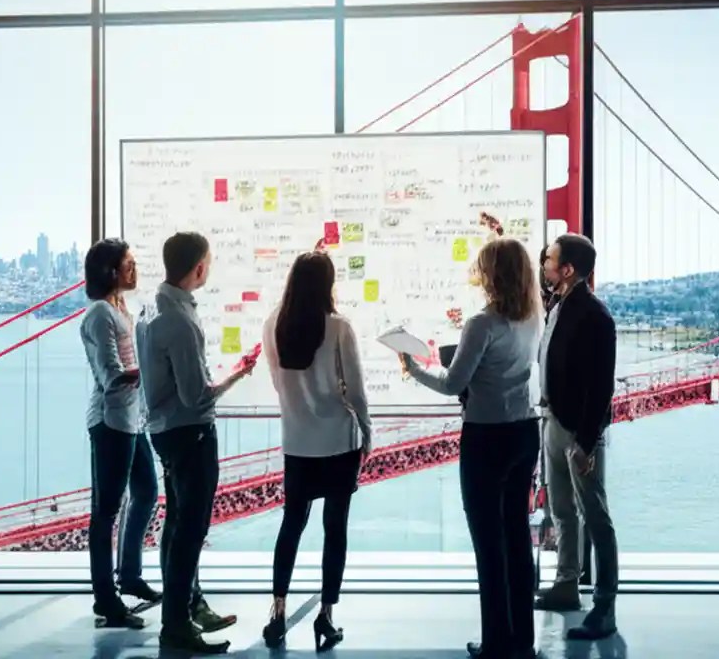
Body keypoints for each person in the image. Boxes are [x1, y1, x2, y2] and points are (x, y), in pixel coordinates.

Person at [402, 237, 543, 659]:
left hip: (487, 438)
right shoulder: (533, 317)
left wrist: (413, 368)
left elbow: (452, 384)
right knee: (516, 537)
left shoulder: (482, 324)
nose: (478, 275)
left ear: (493, 275)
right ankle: (522, 639)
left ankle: (496, 643)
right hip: (525, 432)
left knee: (488, 543)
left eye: (482, 268)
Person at [140, 231, 256, 654]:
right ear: (199, 268)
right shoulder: (181, 322)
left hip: (163, 432)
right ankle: (177, 625)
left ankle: (189, 608)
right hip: (192, 435)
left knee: (176, 525)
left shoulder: (151, 309)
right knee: (190, 531)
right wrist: (237, 375)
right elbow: (196, 396)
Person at [259, 251, 372, 652]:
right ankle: (325, 616)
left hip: (297, 442)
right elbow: (356, 391)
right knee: (334, 529)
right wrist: (367, 431)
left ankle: (277, 611)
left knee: (292, 524)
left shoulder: (273, 324)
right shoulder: (339, 327)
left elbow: (279, 384)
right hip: (338, 442)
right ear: (328, 284)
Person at [536, 233, 619, 640]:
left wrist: (586, 443)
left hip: (577, 433)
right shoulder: (559, 305)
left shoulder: (596, 317)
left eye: (549, 259)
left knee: (596, 517)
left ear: (566, 269)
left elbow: (602, 388)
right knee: (561, 510)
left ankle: (605, 608)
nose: (544, 265)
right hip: (553, 420)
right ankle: (566, 586)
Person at [79, 238, 161, 629]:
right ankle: (106, 600)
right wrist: (156, 370)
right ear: (111, 272)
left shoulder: (122, 309)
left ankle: (129, 575)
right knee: (105, 512)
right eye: (129, 264)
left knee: (147, 491)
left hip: (132, 420)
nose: (135, 270)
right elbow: (111, 376)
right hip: (111, 423)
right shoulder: (100, 314)